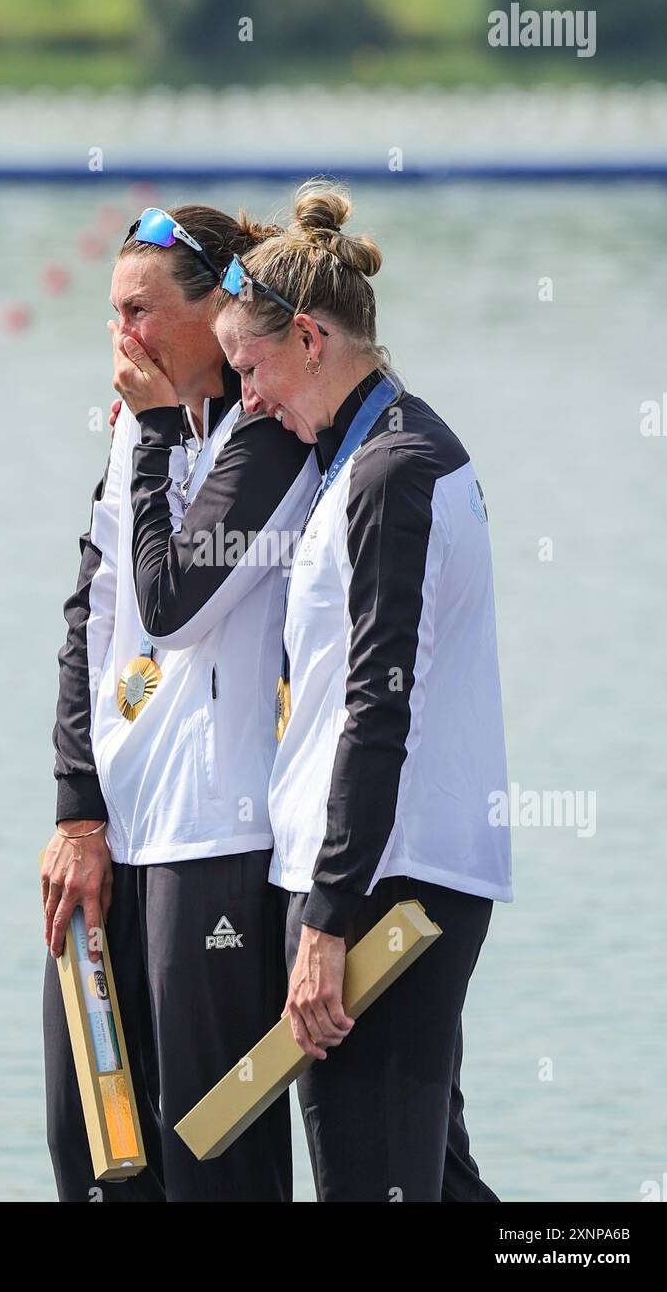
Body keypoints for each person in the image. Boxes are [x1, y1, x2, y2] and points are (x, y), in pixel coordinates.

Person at [212, 179, 513, 1203]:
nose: (246, 397)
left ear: (307, 338)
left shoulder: (392, 474)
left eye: (248, 368)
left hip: (386, 883)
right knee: (435, 1182)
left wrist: (328, 920)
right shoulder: (383, 453)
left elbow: (378, 705)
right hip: (395, 869)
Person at [42, 204, 318, 1201]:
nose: (121, 337)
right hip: (113, 838)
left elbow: (168, 601)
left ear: (217, 312)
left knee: (212, 1172)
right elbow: (92, 614)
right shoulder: (140, 438)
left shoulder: (271, 438)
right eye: (111, 313)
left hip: (216, 848)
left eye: (141, 311)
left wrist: (154, 429)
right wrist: (76, 811)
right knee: (92, 1157)